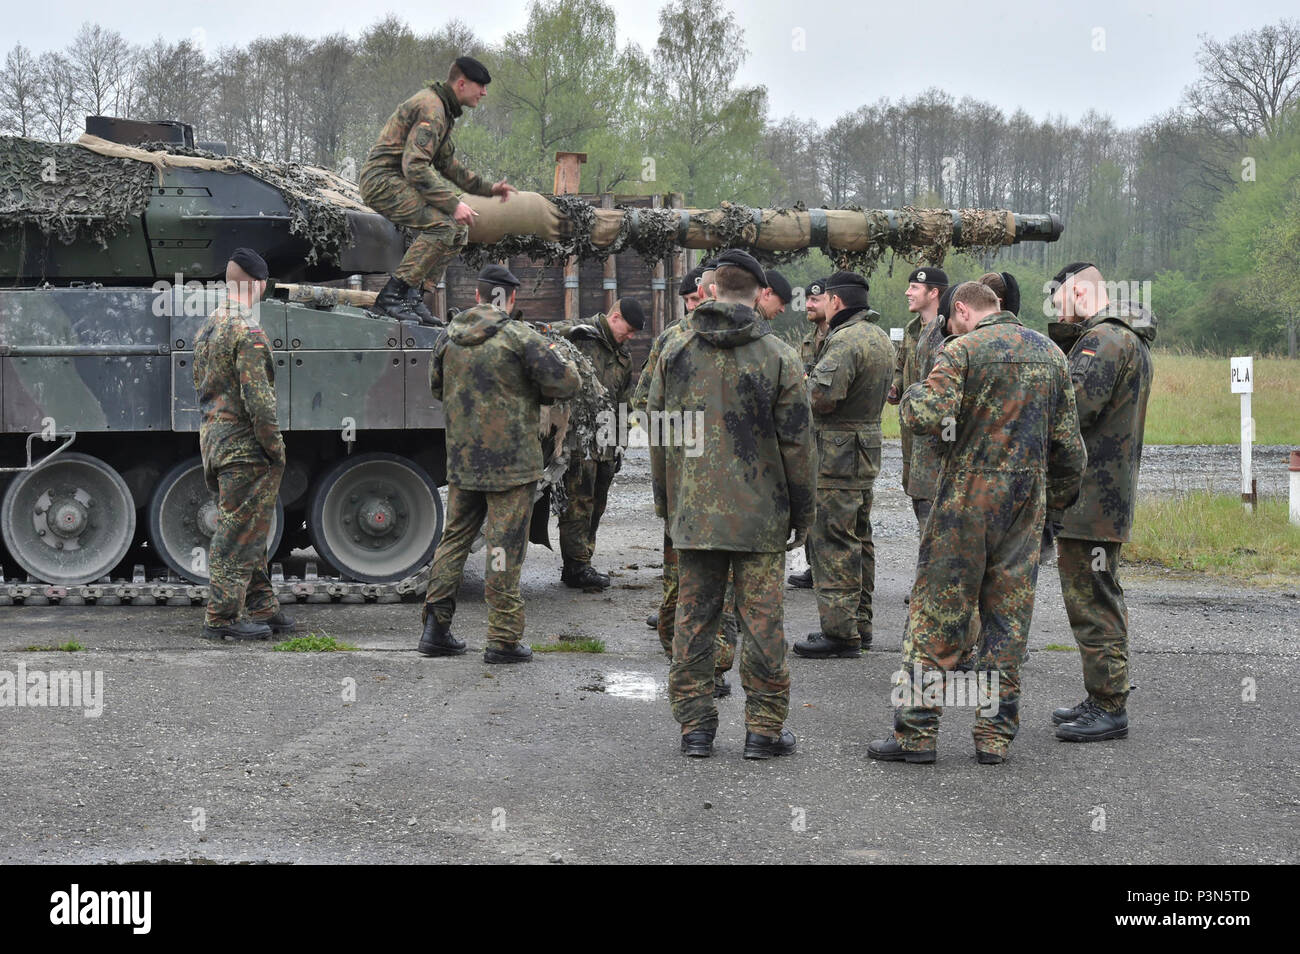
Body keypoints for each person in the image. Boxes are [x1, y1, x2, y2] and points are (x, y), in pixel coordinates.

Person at [868, 282, 1086, 764]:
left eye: (950, 318)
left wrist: (911, 393)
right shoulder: (1051, 353)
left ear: (963, 310)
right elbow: (1071, 451)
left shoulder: (961, 351)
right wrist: (1053, 508)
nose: (947, 325)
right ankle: (993, 738)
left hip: (963, 506)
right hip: (1024, 506)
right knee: (1006, 624)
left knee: (935, 618)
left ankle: (916, 735)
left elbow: (925, 414)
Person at [648, 249, 815, 759]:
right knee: (763, 622)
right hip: (760, 518)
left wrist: (666, 502)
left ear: (713, 288)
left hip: (694, 512)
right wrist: (803, 513)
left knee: (694, 620)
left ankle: (695, 729)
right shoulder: (779, 356)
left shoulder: (674, 348)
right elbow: (798, 446)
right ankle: (763, 731)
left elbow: (657, 433)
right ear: (760, 294)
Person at [419, 264, 580, 663]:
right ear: (511, 300)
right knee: (503, 548)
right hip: (511, 467)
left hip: (463, 460)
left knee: (453, 540)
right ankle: (503, 639)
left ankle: (434, 629)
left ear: (477, 296)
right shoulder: (520, 338)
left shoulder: (448, 338)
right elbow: (567, 383)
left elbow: (436, 388)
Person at [1047, 262, 1156, 742]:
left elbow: (1070, 409)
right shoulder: (1126, 338)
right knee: (1096, 594)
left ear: (1076, 292)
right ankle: (1100, 694)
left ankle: (1109, 705)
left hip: (1091, 495)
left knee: (1093, 599)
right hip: (1102, 494)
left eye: (1058, 300)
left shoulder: (1103, 342)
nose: (1057, 311)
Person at [635, 260, 739, 698]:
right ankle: (708, 667)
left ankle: (685, 659)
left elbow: (646, 409)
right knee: (722, 585)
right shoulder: (760, 343)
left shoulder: (672, 342)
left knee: (684, 578)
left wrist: (675, 461)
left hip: (686, 487)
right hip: (734, 489)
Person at [360, 55, 516, 325]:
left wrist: (489, 189)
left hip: (399, 181)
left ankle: (413, 295)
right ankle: (391, 296)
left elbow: (448, 165)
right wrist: (453, 205)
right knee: (445, 223)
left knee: (458, 229)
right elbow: (415, 168)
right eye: (480, 85)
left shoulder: (443, 110)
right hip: (382, 181)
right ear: (462, 84)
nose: (484, 92)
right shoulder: (432, 110)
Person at [194, 248, 295, 641]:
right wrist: (275, 447)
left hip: (215, 442)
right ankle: (221, 619)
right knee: (238, 531)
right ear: (260, 284)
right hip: (244, 448)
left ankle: (262, 606)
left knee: (250, 528)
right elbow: (259, 401)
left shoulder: (210, 325)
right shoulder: (247, 331)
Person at [792, 271, 893, 658]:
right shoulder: (878, 336)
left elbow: (821, 397)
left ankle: (839, 632)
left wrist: (801, 384)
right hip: (862, 453)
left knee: (832, 542)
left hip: (836, 456)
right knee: (859, 539)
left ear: (837, 302)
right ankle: (859, 624)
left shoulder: (846, 340)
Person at [553, 299, 645, 590]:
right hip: (576, 439)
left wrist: (620, 443)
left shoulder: (622, 358)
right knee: (577, 504)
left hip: (605, 442)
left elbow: (623, 404)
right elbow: (544, 339)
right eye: (627, 330)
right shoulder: (580, 335)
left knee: (597, 504)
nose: (629, 337)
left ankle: (583, 559)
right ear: (614, 317)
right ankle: (576, 566)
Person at [887, 267, 949, 530]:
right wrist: (896, 386)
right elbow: (902, 367)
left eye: (914, 287)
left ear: (933, 292)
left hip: (937, 443)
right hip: (912, 439)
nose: (907, 292)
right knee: (920, 507)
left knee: (935, 520)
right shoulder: (913, 331)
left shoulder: (947, 331)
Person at [787, 276, 829, 589]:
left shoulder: (840, 339)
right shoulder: (805, 341)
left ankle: (828, 570)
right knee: (811, 499)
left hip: (832, 432)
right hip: (809, 431)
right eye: (808, 299)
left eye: (816, 300)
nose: (809, 305)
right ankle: (813, 567)